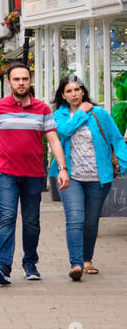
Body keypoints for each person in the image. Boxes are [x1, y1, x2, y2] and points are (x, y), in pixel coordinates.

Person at [0, 63, 69, 286]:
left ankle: (30, 263)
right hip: (6, 173)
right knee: (7, 217)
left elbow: (54, 140)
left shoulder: (43, 109)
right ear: (9, 83)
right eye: (16, 79)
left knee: (31, 222)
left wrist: (63, 169)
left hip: (34, 174)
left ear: (30, 81)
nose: (21, 83)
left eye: (25, 79)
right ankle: (3, 267)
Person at [50, 75, 127, 280]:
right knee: (75, 219)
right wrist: (81, 113)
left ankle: (87, 259)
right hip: (70, 176)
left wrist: (125, 165)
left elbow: (117, 139)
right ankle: (76, 264)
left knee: (91, 222)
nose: (73, 94)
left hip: (98, 178)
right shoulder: (60, 115)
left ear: (83, 91)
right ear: (63, 95)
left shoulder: (100, 113)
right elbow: (64, 132)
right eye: (69, 91)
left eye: (77, 90)